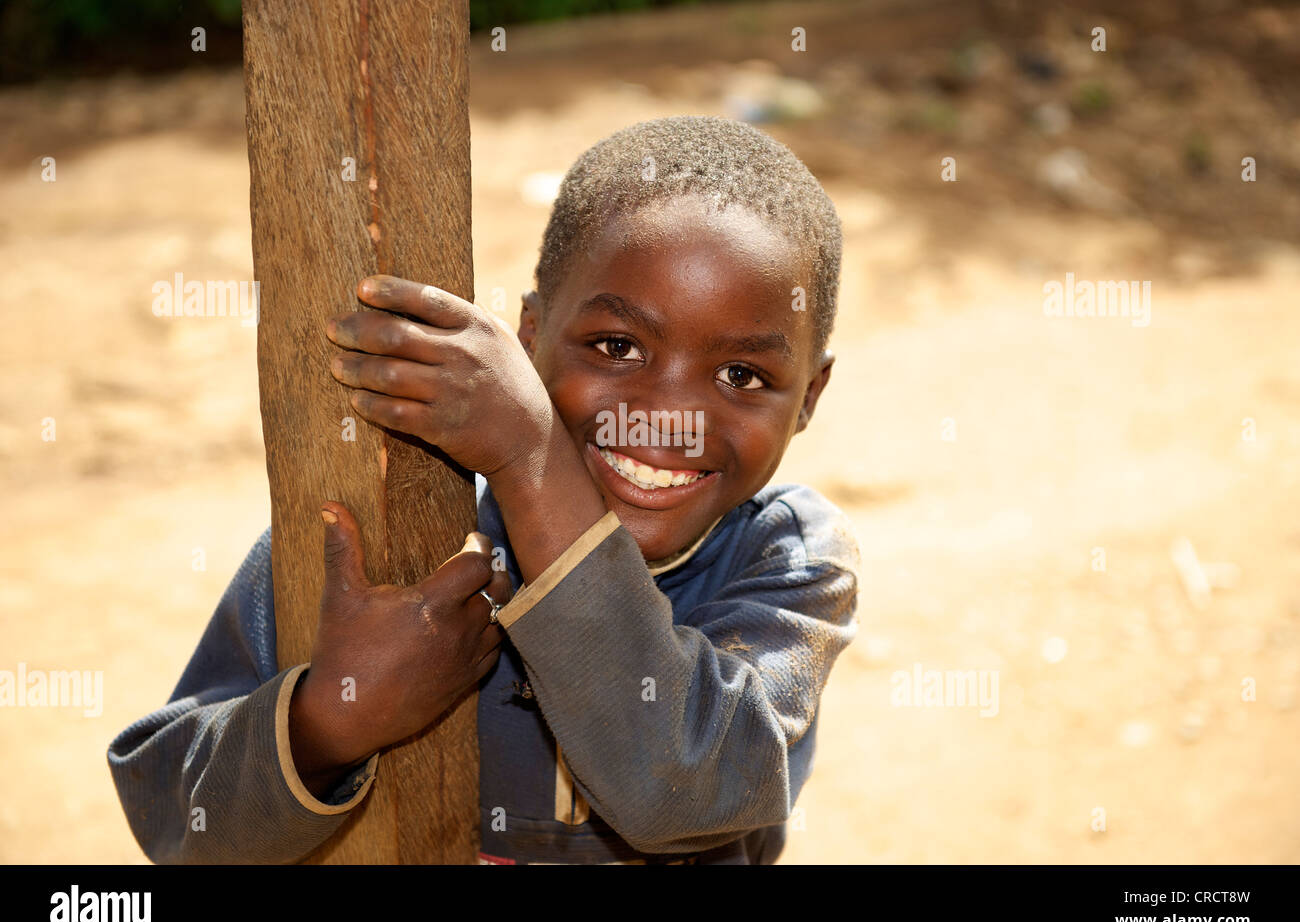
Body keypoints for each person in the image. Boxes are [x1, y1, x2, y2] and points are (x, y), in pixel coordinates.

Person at [108, 115, 860, 864]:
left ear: (811, 395)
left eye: (742, 375)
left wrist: (533, 453)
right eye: (616, 346)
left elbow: (679, 786)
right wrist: (324, 723)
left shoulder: (785, 564)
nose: (666, 420)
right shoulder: (382, 543)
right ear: (528, 336)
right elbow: (172, 821)